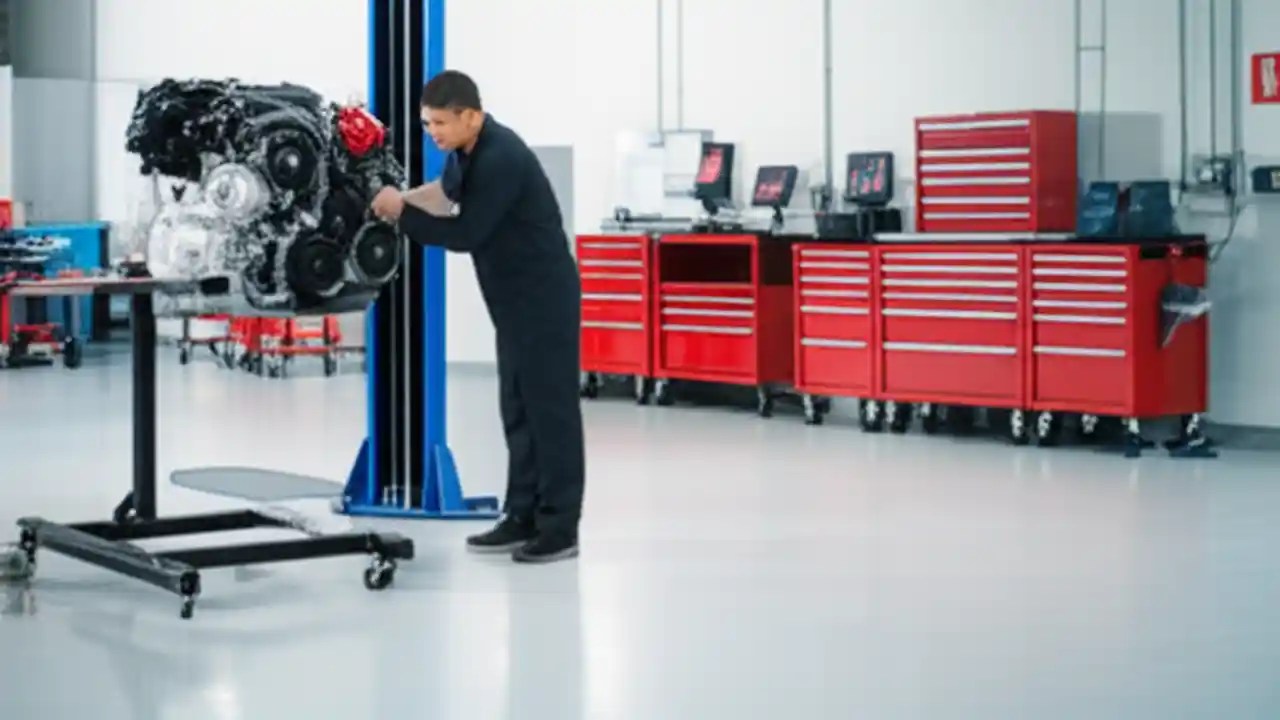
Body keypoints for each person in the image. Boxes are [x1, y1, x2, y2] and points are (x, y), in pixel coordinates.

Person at [370, 70, 584, 564]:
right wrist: (393, 201)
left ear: (471, 115)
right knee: (517, 408)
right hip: (512, 302)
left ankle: (560, 527)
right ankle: (521, 515)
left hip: (543, 300)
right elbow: (443, 195)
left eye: (440, 123)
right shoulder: (467, 151)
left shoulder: (501, 157)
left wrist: (400, 215)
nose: (434, 133)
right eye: (427, 125)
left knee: (551, 414)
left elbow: (465, 232)